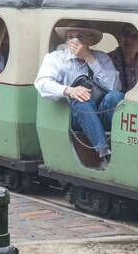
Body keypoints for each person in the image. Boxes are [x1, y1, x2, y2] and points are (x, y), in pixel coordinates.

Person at [34, 24, 123, 162]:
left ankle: (121, 145)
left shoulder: (101, 58)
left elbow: (114, 87)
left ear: (90, 40)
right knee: (82, 101)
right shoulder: (56, 58)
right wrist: (69, 90)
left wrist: (88, 58)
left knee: (116, 97)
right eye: (70, 37)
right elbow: (42, 83)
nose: (74, 41)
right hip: (74, 115)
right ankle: (104, 151)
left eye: (80, 37)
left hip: (102, 111)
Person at [109, 24, 138, 94]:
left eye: (135, 36)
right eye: (126, 34)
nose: (129, 39)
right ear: (121, 37)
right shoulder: (108, 60)